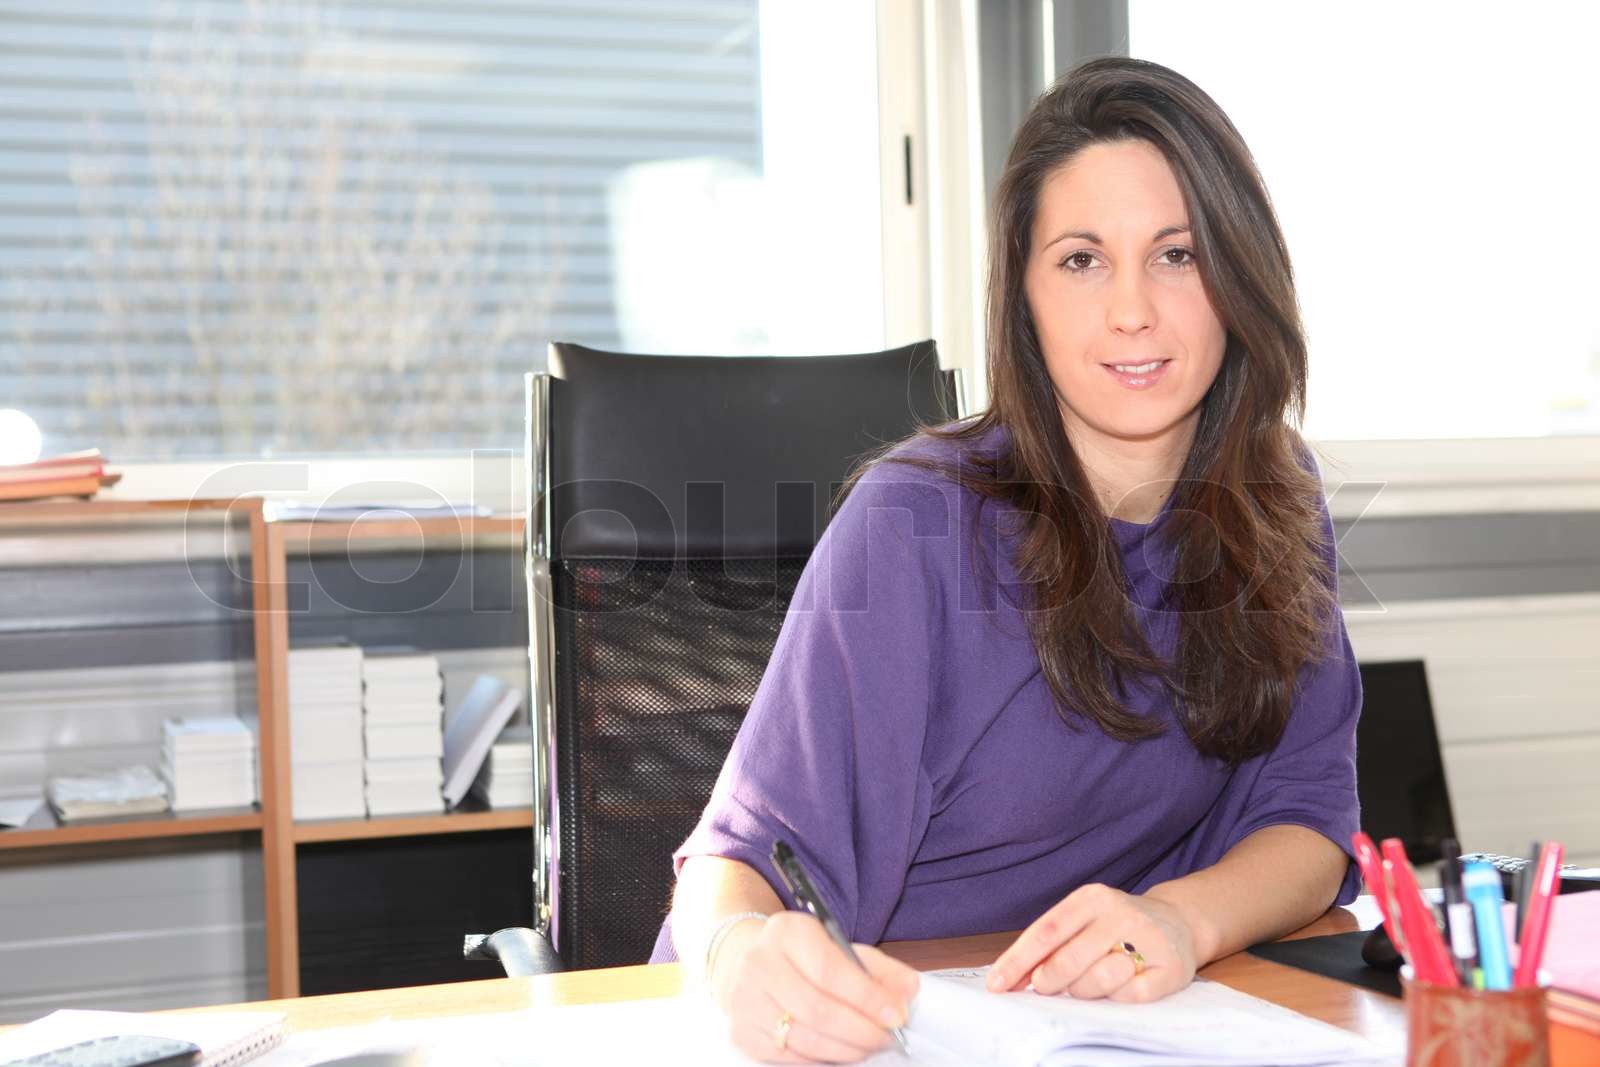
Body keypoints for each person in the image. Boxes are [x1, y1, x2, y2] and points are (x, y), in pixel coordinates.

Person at [651, 55, 1362, 1064]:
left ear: (1239, 273)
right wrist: (737, 955)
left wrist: (1180, 919)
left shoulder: (1272, 498)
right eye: (1080, 258)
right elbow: (732, 865)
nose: (1131, 310)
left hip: (1132, 1029)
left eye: (1177, 254)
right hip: (872, 1030)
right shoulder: (915, 518)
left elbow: (1308, 820)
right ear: (1021, 294)